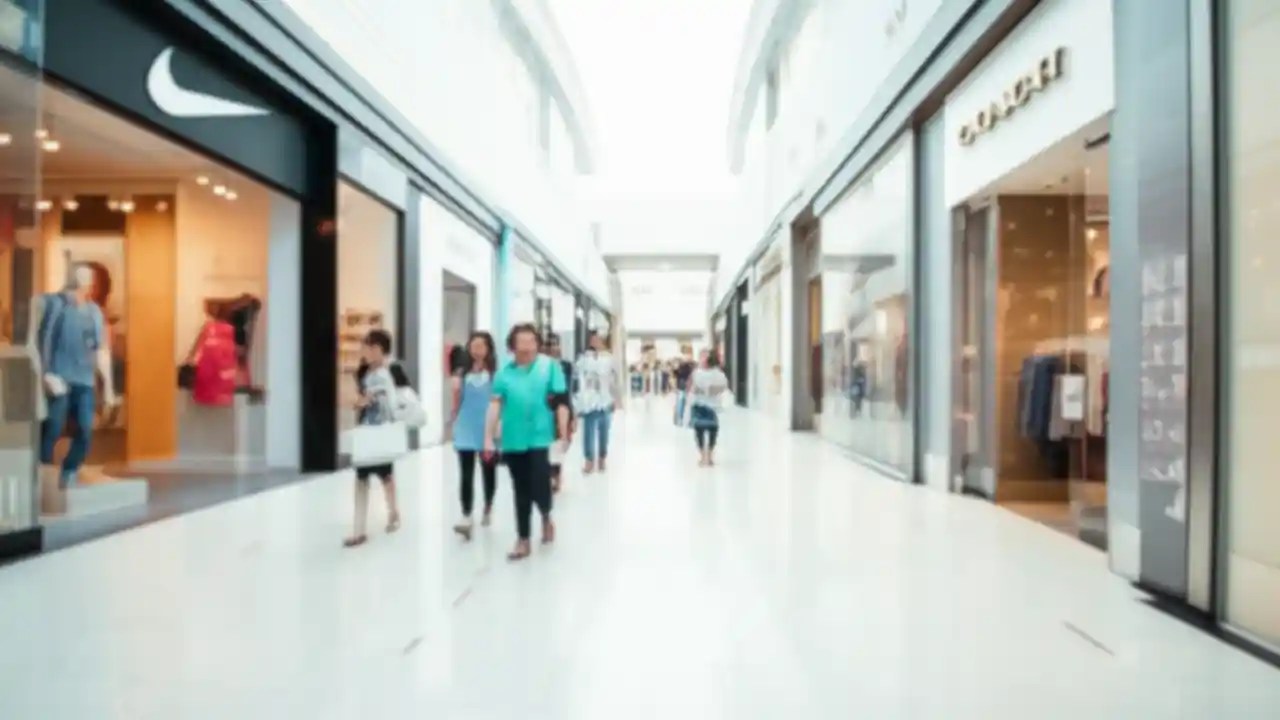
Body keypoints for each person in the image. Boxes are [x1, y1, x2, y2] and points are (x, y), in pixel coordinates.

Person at [485, 323, 569, 561]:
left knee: (540, 483)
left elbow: (561, 400)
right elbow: (495, 404)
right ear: (512, 346)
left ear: (537, 343)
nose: (526, 346)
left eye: (531, 341)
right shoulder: (504, 373)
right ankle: (523, 538)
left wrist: (563, 432)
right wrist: (488, 437)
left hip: (541, 437)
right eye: (521, 342)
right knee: (520, 488)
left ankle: (545, 514)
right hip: (513, 438)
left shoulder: (549, 366)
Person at [38, 263, 118, 489]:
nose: (89, 284)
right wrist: (47, 374)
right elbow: (43, 342)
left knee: (84, 428)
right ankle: (43, 472)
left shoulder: (94, 311)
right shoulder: (56, 305)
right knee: (53, 426)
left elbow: (101, 349)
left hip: (84, 380)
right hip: (59, 378)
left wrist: (109, 388)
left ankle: (69, 469)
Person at [344, 329, 407, 548]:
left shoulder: (386, 372)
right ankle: (360, 528)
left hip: (379, 431)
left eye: (373, 348)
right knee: (364, 478)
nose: (368, 352)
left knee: (384, 476)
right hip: (368, 430)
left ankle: (391, 514)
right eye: (367, 347)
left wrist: (365, 401)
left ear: (382, 350)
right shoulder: (366, 372)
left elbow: (384, 401)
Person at [451, 331, 498, 541]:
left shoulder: (495, 374)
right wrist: (453, 420)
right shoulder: (462, 372)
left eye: (481, 345)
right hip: (466, 427)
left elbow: (500, 402)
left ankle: (488, 504)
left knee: (488, 471)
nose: (477, 349)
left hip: (487, 429)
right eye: (474, 345)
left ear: (488, 349)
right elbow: (457, 401)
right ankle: (466, 514)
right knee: (466, 473)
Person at [574, 331, 619, 474]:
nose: (595, 342)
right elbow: (578, 377)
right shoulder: (583, 359)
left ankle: (602, 458)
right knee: (588, 432)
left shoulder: (609, 359)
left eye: (598, 339)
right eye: (593, 339)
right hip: (589, 400)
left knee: (604, 431)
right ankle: (589, 460)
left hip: (605, 400)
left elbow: (614, 381)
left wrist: (617, 399)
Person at [545, 333, 575, 493]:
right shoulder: (539, 365)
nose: (553, 348)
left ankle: (557, 476)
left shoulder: (566, 366)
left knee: (561, 442)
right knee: (547, 444)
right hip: (544, 407)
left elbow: (569, 390)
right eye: (550, 345)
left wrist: (573, 413)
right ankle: (549, 476)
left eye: (555, 344)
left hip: (562, 406)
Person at [689, 349, 729, 467]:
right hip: (708, 406)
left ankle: (705, 457)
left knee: (704, 431)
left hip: (705, 406)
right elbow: (723, 388)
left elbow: (693, 389)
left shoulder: (700, 373)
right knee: (707, 431)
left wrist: (704, 391)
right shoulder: (717, 374)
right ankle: (707, 457)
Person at [673, 351, 695, 426]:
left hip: (683, 387)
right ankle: (681, 419)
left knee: (681, 403)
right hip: (684, 387)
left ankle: (681, 419)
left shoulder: (686, 367)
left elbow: (678, 375)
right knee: (682, 403)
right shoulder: (688, 367)